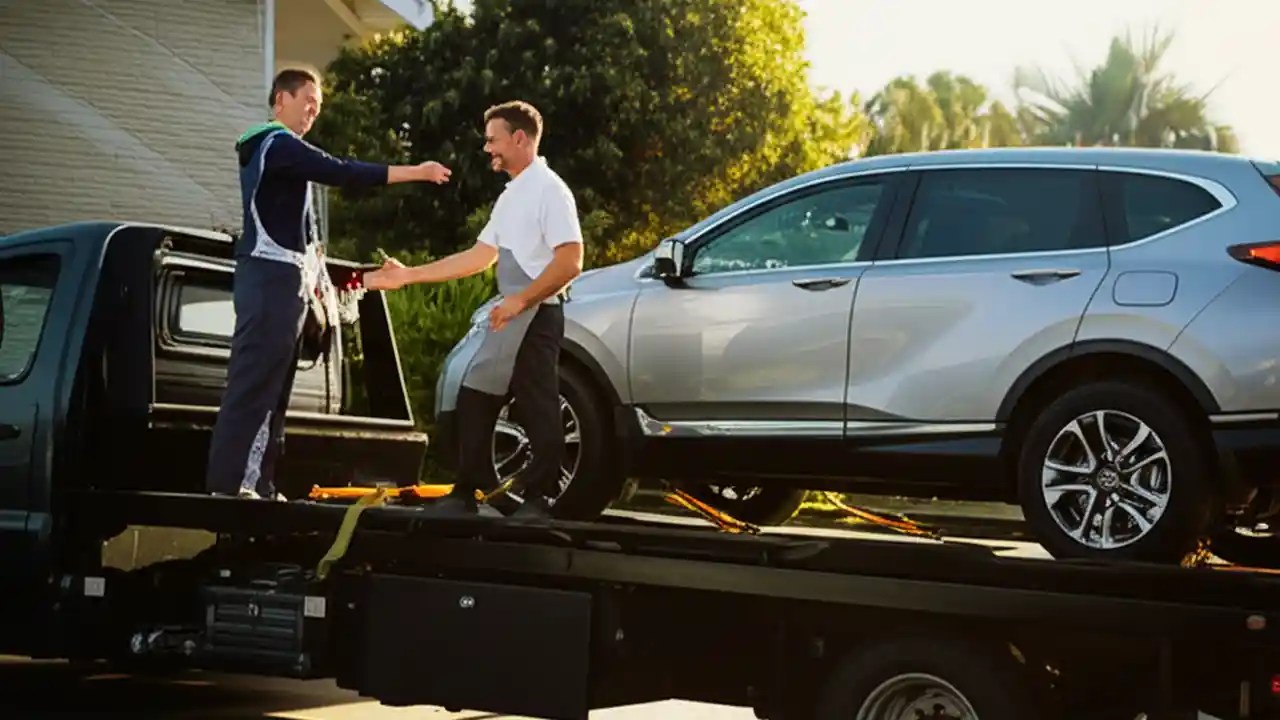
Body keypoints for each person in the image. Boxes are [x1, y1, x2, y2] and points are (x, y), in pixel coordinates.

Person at [206, 67, 452, 500]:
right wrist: (416, 171)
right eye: (307, 104)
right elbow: (341, 171)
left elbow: (313, 249)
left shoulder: (284, 153)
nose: (312, 115)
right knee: (253, 385)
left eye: (317, 109)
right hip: (268, 278)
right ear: (281, 99)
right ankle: (230, 485)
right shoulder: (273, 143)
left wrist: (361, 279)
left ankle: (259, 482)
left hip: (286, 283)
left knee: (276, 391)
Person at [364, 100, 583, 520]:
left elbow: (571, 261)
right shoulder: (511, 196)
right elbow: (478, 257)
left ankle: (539, 500)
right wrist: (408, 275)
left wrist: (521, 300)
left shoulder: (550, 190)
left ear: (519, 139)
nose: (487, 149)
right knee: (475, 394)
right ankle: (465, 492)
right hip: (511, 313)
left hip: (536, 314)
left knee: (537, 402)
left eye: (493, 140)